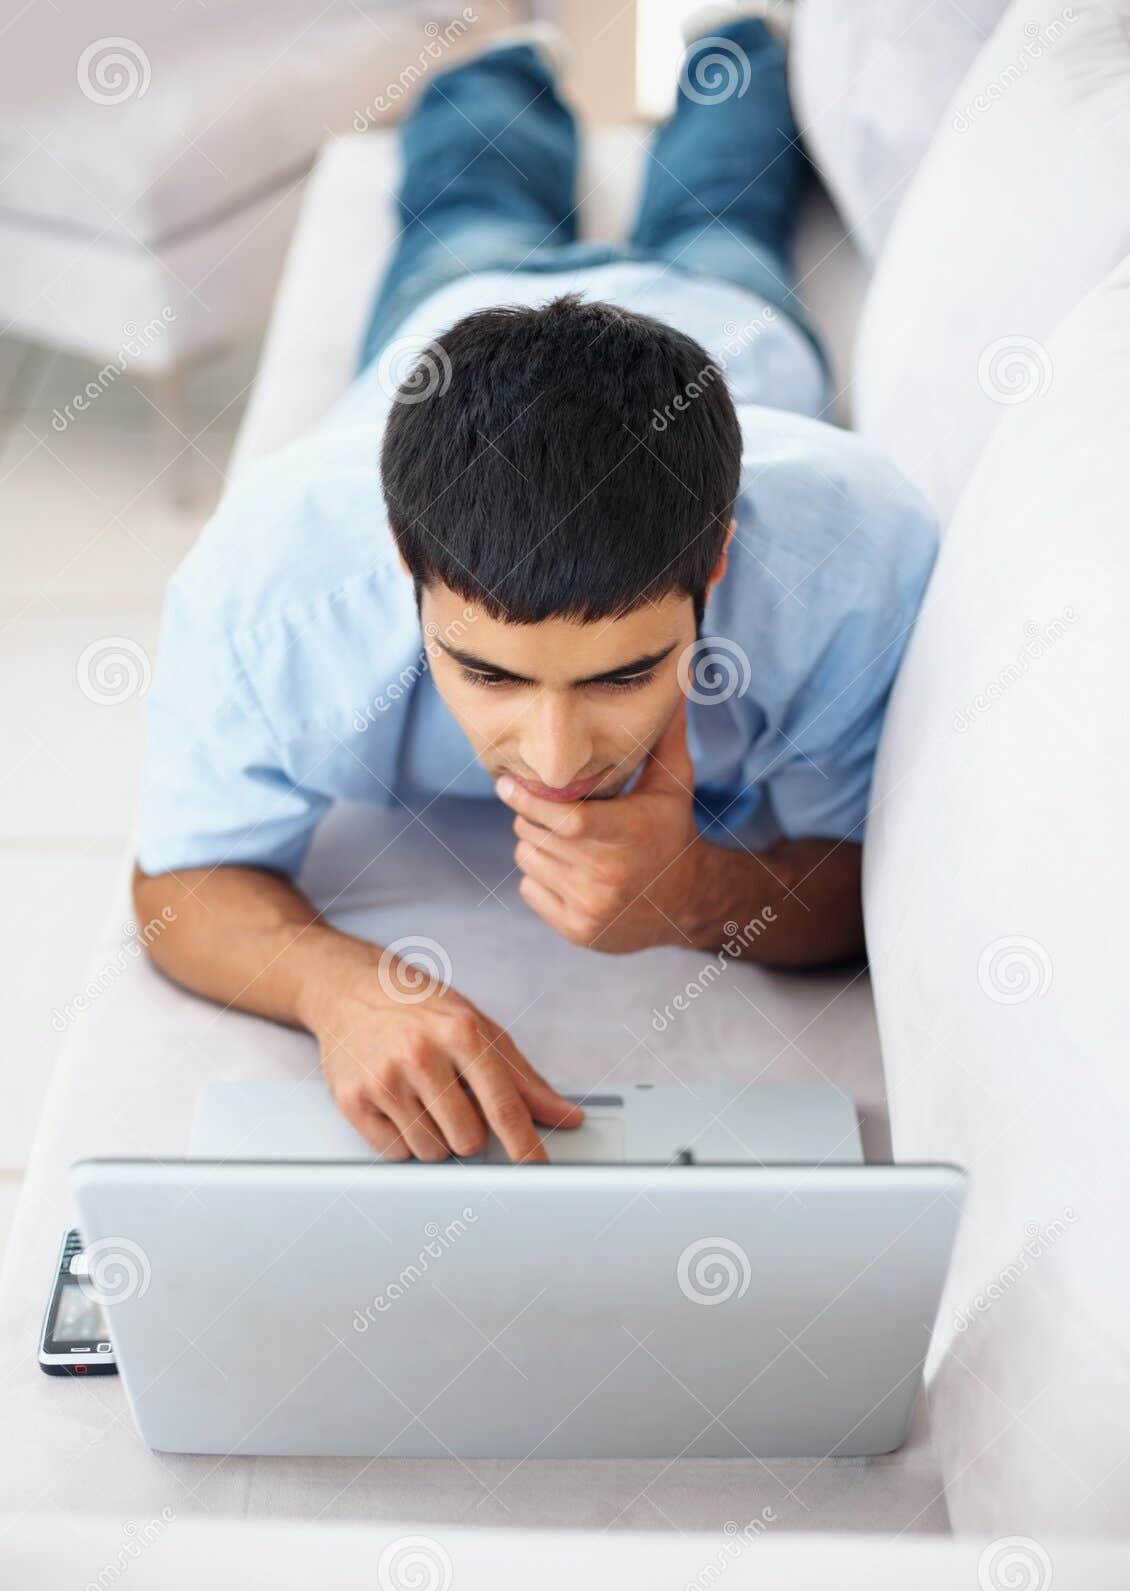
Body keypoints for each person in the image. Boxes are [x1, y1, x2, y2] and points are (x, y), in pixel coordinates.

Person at [133, 11, 937, 1166]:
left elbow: (875, 883)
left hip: (717, 324)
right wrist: (338, 987)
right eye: (488, 672)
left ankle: (739, 49)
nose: (556, 758)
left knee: (721, 201)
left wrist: (695, 893)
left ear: (711, 565)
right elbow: (172, 885)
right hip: (462, 317)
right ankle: (508, 56)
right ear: (407, 572)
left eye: (622, 672)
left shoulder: (850, 567)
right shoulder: (269, 591)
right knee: (468, 205)